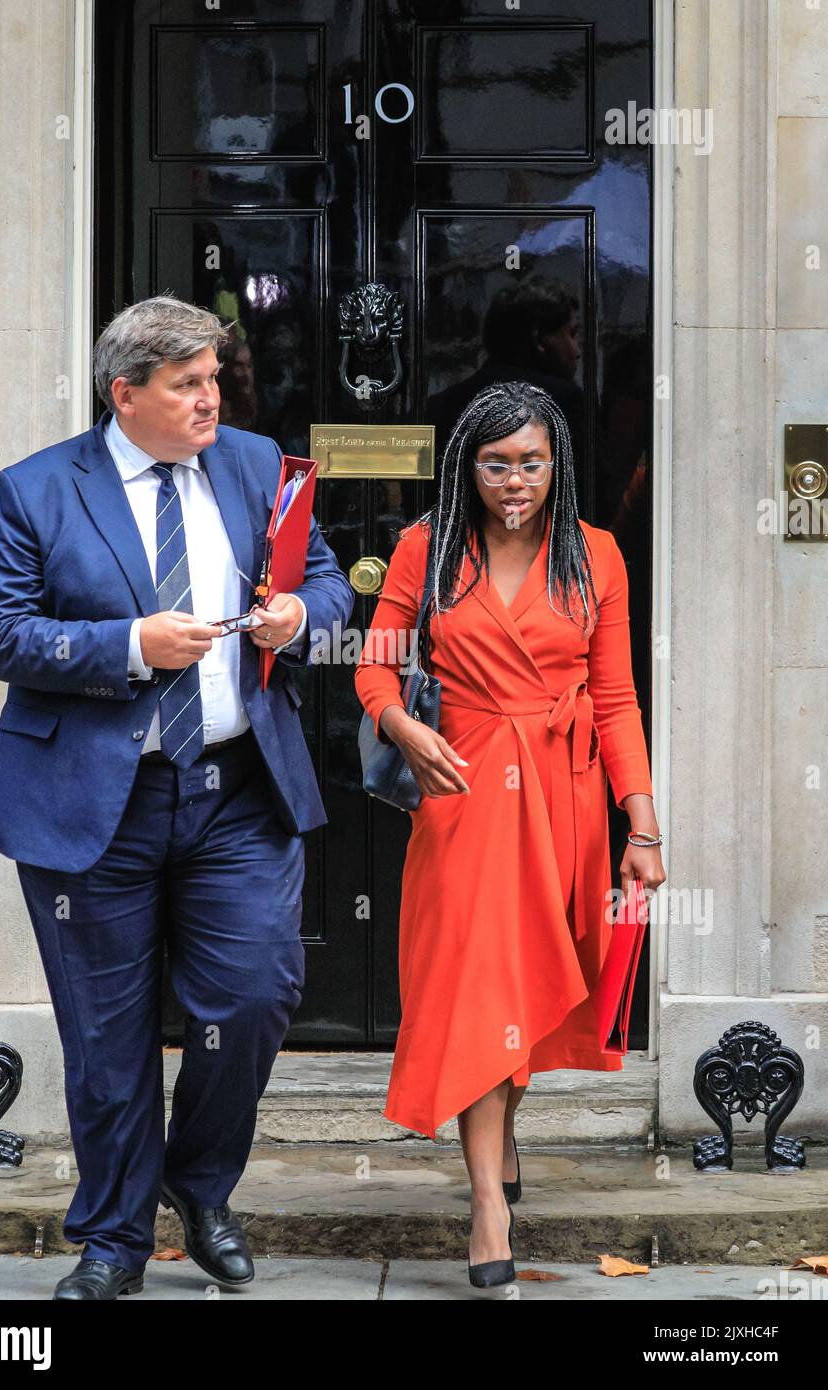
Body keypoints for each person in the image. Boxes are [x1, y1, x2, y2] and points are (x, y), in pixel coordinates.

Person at [0, 294, 355, 1299]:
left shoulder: (258, 463)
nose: (210, 399)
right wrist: (129, 647)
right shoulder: (38, 489)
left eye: (215, 378)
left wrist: (297, 616)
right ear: (123, 392)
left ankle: (201, 1182)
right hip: (93, 804)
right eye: (187, 384)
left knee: (256, 992)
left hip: (235, 791)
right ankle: (112, 1238)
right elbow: (4, 634)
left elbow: (325, 582)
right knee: (108, 1032)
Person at [354, 381, 665, 1288]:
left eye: (532, 463)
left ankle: (503, 1134)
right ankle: (487, 1201)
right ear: (467, 468)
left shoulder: (597, 556)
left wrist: (641, 824)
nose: (516, 482)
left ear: (555, 464)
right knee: (476, 984)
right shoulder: (425, 547)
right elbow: (375, 670)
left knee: (528, 980)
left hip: (564, 797)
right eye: (497, 465)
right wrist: (406, 729)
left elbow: (614, 699)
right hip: (465, 788)